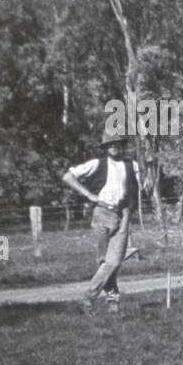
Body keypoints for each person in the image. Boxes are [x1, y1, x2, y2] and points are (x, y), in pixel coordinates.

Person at [62, 130, 141, 312]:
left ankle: (88, 297)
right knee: (103, 262)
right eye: (110, 144)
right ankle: (113, 304)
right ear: (105, 147)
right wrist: (89, 194)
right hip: (102, 215)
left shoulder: (131, 165)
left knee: (113, 262)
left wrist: (127, 219)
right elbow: (68, 177)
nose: (114, 147)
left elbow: (134, 193)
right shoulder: (97, 164)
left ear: (122, 145)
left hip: (122, 215)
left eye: (117, 143)